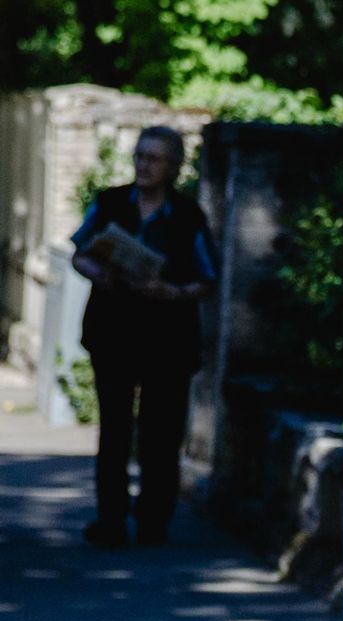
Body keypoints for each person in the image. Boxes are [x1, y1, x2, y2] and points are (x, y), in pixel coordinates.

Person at [71, 125, 218, 547]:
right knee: (114, 430)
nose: (144, 165)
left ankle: (154, 520)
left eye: (154, 158)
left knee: (161, 432)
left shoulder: (188, 216)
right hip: (112, 333)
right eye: (140, 156)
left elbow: (208, 279)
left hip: (167, 339)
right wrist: (100, 272)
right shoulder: (111, 203)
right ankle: (111, 521)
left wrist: (170, 292)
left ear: (173, 167)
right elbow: (79, 252)